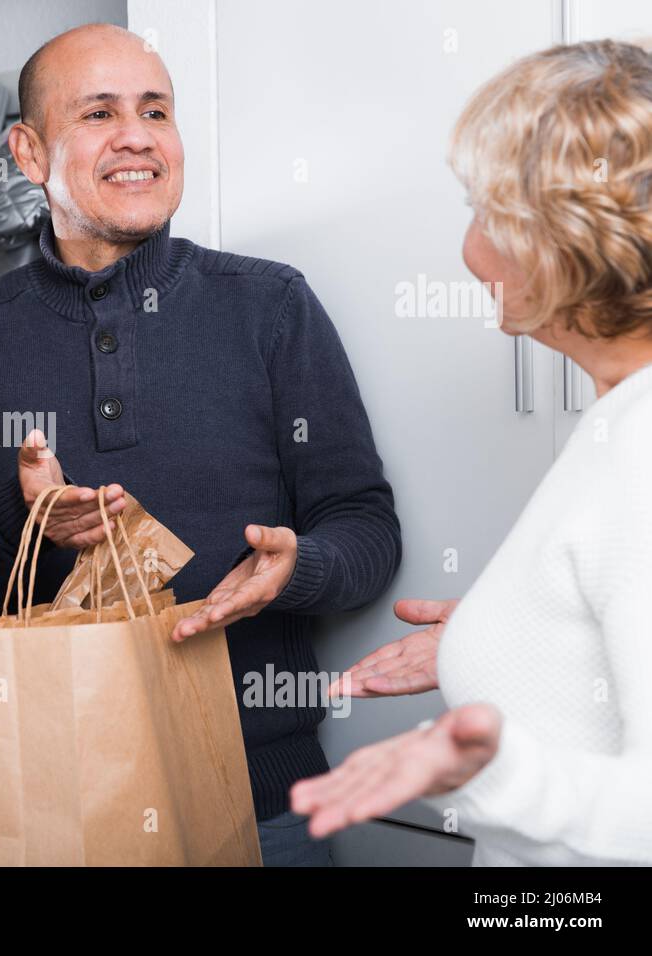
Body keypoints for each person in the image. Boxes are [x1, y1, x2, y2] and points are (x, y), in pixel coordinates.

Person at [0, 23, 402, 866]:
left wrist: (294, 567)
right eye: (98, 113)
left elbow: (367, 528)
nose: (137, 136)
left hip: (268, 807)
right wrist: (32, 522)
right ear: (28, 151)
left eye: (156, 110)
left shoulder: (269, 305)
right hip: (45, 803)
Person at [292, 40, 652, 866]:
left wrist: (480, 775)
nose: (468, 251)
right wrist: (515, 630)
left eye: (485, 211)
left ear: (563, 242)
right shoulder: (619, 422)